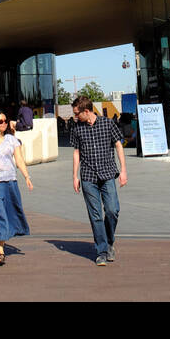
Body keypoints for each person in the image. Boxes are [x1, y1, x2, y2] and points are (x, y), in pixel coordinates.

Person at [69, 96, 127, 266]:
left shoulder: (108, 123)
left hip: (108, 174)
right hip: (88, 177)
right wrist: (75, 176)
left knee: (112, 210)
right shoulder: (77, 128)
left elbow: (118, 145)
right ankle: (102, 250)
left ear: (86, 111)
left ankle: (109, 240)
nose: (75, 117)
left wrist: (123, 170)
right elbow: (76, 152)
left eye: (77, 113)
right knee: (95, 215)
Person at [0, 112, 33, 266]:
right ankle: (1, 252)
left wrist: (27, 177)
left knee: (11, 213)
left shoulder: (12, 140)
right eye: (0, 121)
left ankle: (2, 241)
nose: (4, 124)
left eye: (5, 121)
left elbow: (19, 159)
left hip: (9, 181)